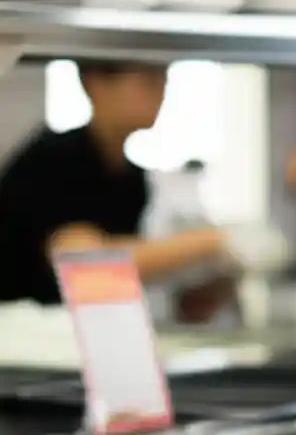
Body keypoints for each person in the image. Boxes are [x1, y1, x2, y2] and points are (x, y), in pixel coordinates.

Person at [0, 60, 238, 317]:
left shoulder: (131, 178)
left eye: (164, 80)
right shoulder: (56, 158)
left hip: (84, 332)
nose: (161, 90)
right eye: (148, 79)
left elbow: (111, 286)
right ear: (95, 83)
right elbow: (85, 266)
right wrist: (216, 240)